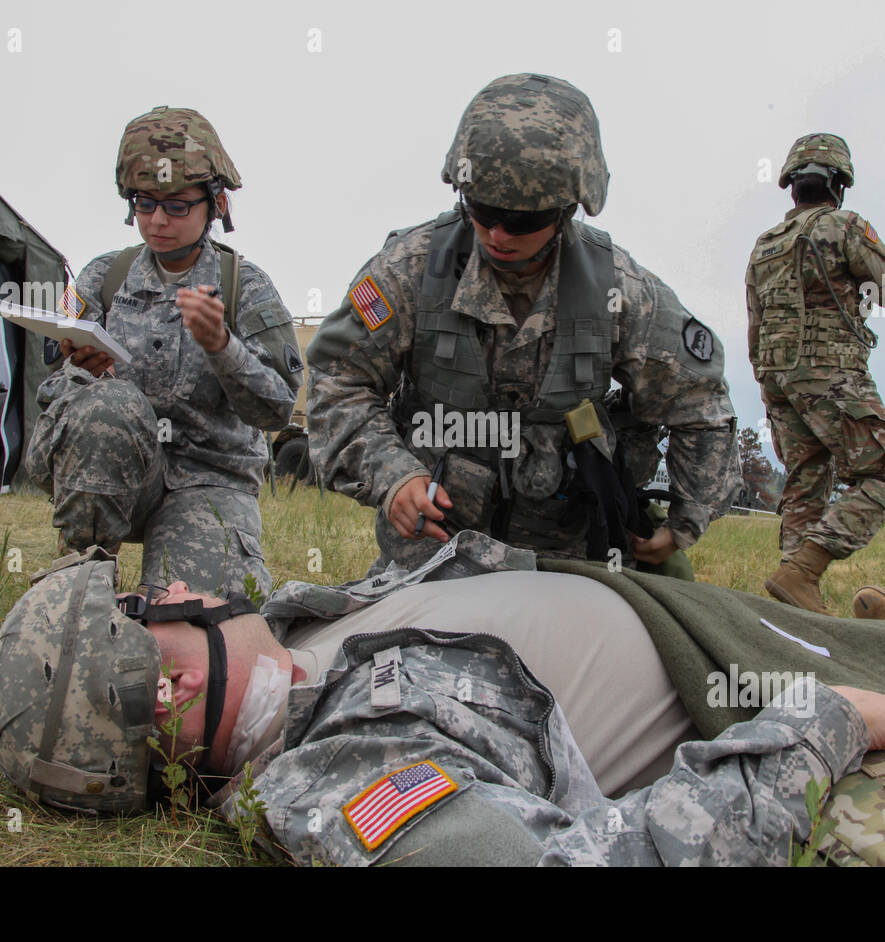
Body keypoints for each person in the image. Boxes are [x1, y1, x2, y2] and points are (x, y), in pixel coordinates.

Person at [0, 540, 885, 866]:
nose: (172, 584)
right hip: (758, 708)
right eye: (147, 602)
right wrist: (827, 726)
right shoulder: (338, 775)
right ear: (171, 680)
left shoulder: (285, 630)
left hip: (704, 622)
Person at [306, 74, 741, 574]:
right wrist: (393, 477)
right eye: (483, 210)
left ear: (567, 210)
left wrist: (686, 518)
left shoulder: (618, 290)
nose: (497, 234)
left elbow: (699, 401)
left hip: (568, 562)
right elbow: (337, 382)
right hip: (435, 556)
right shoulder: (410, 269)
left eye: (521, 221)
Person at [24, 107, 303, 598]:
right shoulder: (103, 277)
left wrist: (222, 346)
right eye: (145, 203)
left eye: (176, 206)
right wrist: (85, 371)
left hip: (208, 481)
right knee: (110, 405)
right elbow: (56, 379)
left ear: (214, 204)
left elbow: (278, 407)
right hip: (118, 472)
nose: (156, 220)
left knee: (192, 621)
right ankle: (83, 576)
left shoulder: (246, 287)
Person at [746, 133, 885, 618]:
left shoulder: (765, 245)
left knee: (805, 479)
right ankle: (805, 570)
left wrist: (770, 395)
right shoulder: (845, 225)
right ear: (839, 184)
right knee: (881, 470)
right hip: (829, 371)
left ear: (792, 186)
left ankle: (797, 607)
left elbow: (754, 323)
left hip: (777, 378)